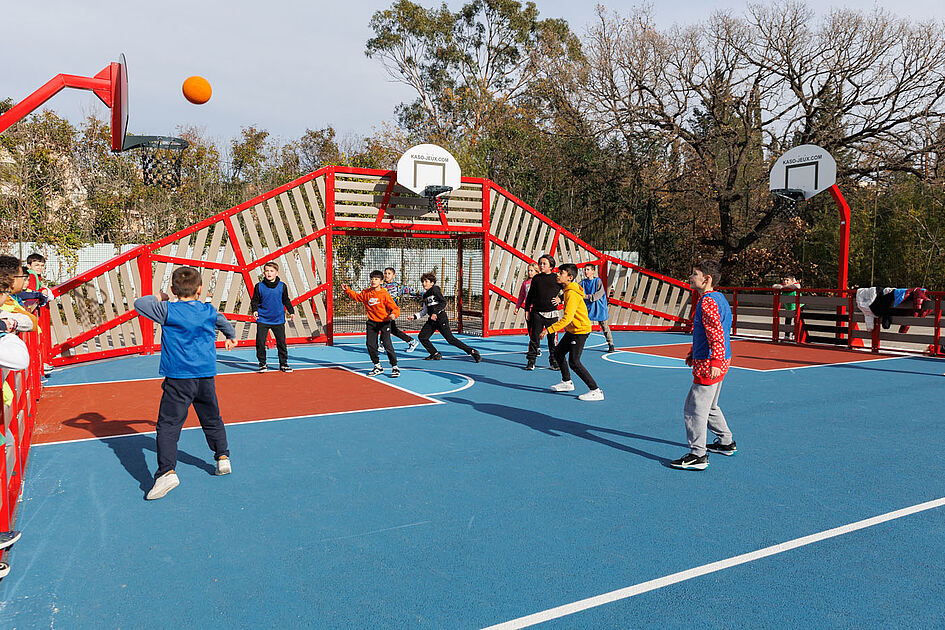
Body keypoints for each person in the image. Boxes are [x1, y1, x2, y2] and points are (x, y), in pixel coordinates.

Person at [133, 266, 238, 500]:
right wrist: (231, 336)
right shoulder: (208, 310)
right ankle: (222, 457)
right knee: (212, 418)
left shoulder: (167, 310)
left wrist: (160, 296)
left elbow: (140, 304)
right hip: (205, 377)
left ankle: (166, 472)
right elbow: (223, 321)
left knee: (168, 425)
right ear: (200, 289)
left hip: (179, 379)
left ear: (173, 290)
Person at [670, 260, 736, 471]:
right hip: (719, 359)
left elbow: (716, 332)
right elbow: (713, 331)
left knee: (694, 408)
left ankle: (698, 455)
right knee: (711, 406)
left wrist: (713, 360)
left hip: (710, 363)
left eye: (694, 274)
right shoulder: (719, 298)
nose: (690, 277)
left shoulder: (707, 302)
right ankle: (725, 441)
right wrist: (694, 352)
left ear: (707, 279)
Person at [541, 263, 604, 401]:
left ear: (569, 277)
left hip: (580, 330)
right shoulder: (568, 290)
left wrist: (549, 330)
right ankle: (567, 382)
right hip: (573, 330)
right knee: (558, 353)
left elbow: (567, 318)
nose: (558, 275)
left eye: (561, 273)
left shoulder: (571, 293)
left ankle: (595, 390)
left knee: (574, 361)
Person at [410, 273, 481, 363]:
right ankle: (435, 354)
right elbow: (424, 311)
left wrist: (435, 313)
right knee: (422, 337)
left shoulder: (435, 290)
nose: (424, 283)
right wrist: (414, 316)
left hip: (440, 318)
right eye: (423, 282)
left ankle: (472, 351)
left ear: (432, 283)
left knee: (450, 339)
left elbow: (443, 302)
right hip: (432, 320)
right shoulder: (425, 296)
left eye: (426, 281)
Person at [342, 270, 401, 377]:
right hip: (372, 323)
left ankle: (395, 367)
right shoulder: (366, 292)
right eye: (372, 279)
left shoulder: (384, 294)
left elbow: (395, 308)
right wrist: (347, 290)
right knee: (370, 344)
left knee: (387, 344)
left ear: (381, 281)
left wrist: (394, 314)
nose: (373, 281)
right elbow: (357, 297)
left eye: (376, 279)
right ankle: (377, 366)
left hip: (384, 323)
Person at [250, 261, 295, 373]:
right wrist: (254, 310)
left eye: (271, 271)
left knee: (281, 343)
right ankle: (262, 364)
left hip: (278, 319)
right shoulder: (259, 286)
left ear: (276, 273)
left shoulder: (282, 286)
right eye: (267, 271)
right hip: (263, 319)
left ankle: (283, 364)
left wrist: (291, 311)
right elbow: (255, 300)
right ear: (263, 273)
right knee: (260, 342)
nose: (269, 273)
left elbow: (286, 299)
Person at [522, 255, 561, 371]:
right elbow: (530, 295)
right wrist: (527, 309)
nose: (541, 265)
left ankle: (553, 361)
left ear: (551, 266)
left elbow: (569, 289)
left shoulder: (556, 278)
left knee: (552, 340)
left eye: (544, 263)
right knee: (534, 338)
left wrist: (561, 298)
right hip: (537, 313)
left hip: (552, 314)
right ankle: (531, 361)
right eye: (540, 263)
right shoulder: (536, 278)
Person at [381, 267, 420, 352]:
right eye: (385, 273)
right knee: (393, 330)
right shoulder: (380, 286)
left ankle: (382, 344)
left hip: (392, 311)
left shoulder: (398, 287)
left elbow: (412, 291)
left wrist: (425, 294)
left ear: (393, 275)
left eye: (389, 273)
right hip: (382, 311)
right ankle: (412, 341)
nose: (386, 275)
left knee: (385, 326)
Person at [578, 265, 616, 353]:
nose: (586, 271)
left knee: (605, 326)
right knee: (585, 326)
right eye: (585, 270)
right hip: (589, 307)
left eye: (588, 270)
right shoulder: (582, 283)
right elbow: (574, 290)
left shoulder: (598, 281)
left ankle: (611, 344)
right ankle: (580, 344)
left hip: (599, 307)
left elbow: (598, 294)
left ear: (593, 271)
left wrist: (585, 296)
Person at [514, 263, 542, 356]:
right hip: (528, 310)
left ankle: (536, 347)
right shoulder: (525, 283)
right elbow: (521, 296)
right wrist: (517, 307)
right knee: (530, 329)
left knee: (536, 330)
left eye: (531, 270)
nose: (530, 272)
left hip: (537, 310)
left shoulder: (540, 281)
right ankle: (534, 347)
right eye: (528, 270)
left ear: (536, 271)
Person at [772, 274, 802, 339]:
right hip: (789, 307)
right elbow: (774, 286)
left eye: (787, 280)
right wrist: (784, 287)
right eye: (784, 280)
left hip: (798, 306)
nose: (785, 282)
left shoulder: (795, 284)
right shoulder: (782, 286)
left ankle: (795, 335)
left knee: (796, 321)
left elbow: (797, 286)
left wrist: (786, 286)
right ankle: (787, 336)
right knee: (788, 320)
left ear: (792, 281)